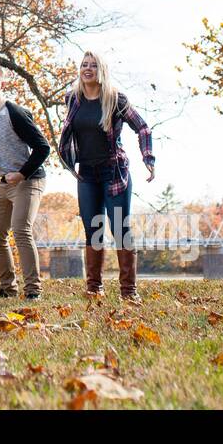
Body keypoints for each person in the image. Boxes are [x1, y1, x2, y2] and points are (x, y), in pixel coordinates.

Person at [56, 50, 155, 302]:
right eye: (83, 65)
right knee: (93, 230)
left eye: (93, 65)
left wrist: (148, 159)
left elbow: (142, 126)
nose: (87, 69)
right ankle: (94, 288)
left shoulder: (115, 99)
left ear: (102, 71)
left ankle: (128, 291)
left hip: (114, 172)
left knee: (120, 229)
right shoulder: (72, 99)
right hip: (87, 173)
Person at [0, 63, 51, 301]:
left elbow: (43, 148)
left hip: (29, 181)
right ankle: (8, 289)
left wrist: (21, 174)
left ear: (2, 84)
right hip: (4, 183)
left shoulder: (16, 113)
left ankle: (33, 290)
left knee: (21, 230)